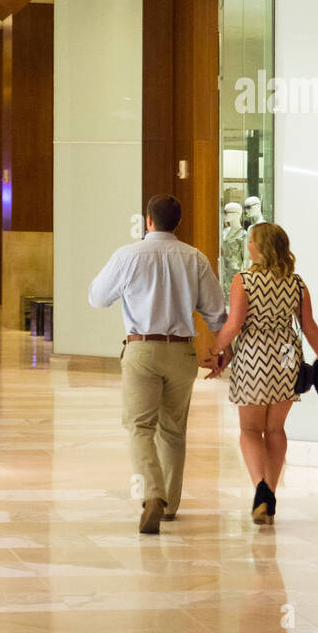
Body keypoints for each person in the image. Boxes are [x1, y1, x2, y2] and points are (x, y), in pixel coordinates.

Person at [88, 193, 227, 535]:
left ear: (148, 219)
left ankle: (152, 495)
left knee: (139, 426)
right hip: (182, 352)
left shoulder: (128, 255)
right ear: (177, 222)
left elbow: (97, 298)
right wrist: (221, 348)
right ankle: (170, 506)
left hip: (142, 350)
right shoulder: (194, 258)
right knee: (173, 430)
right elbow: (216, 312)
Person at [208, 222, 318, 525]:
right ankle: (271, 494)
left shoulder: (244, 280)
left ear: (260, 247)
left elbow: (234, 324)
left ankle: (260, 489)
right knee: (275, 429)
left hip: (254, 355)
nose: (248, 245)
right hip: (288, 355)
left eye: (251, 240)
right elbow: (308, 325)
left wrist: (217, 348)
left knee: (250, 430)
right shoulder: (296, 282)